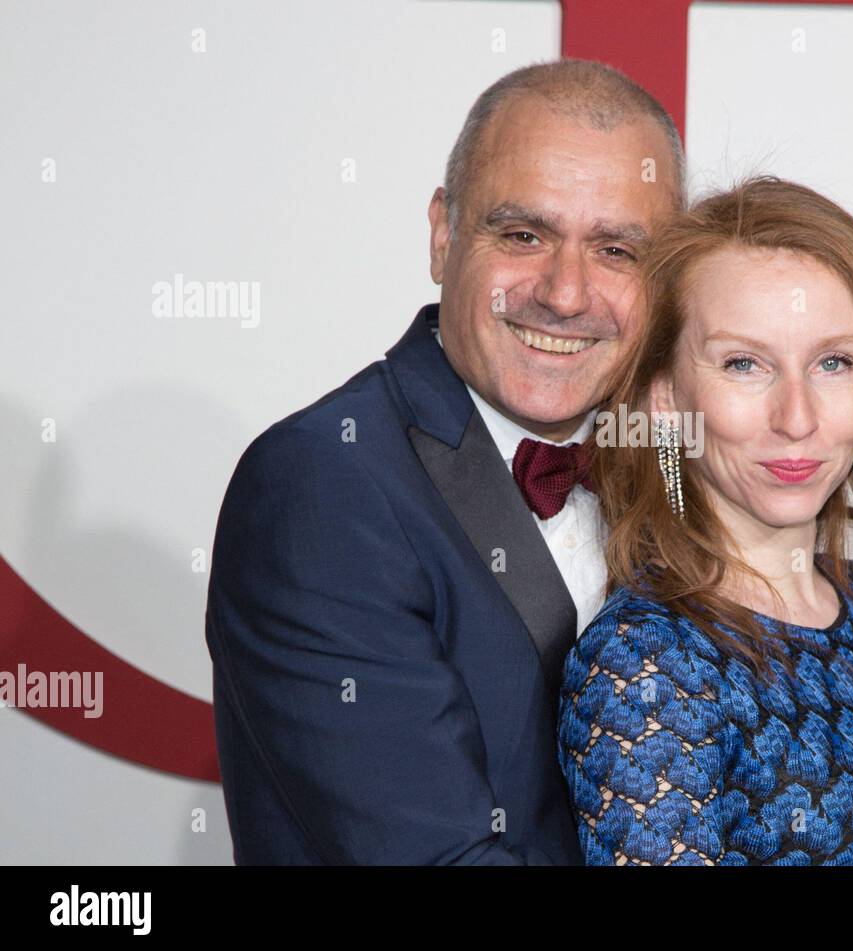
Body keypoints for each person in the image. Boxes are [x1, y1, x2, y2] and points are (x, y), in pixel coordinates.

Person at [204, 59, 683, 864]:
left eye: (615, 250)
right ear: (443, 233)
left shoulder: (679, 468)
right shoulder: (320, 488)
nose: (565, 294)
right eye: (523, 235)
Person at [557, 175, 853, 865]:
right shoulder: (644, 662)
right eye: (744, 363)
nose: (798, 417)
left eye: (833, 362)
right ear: (664, 399)